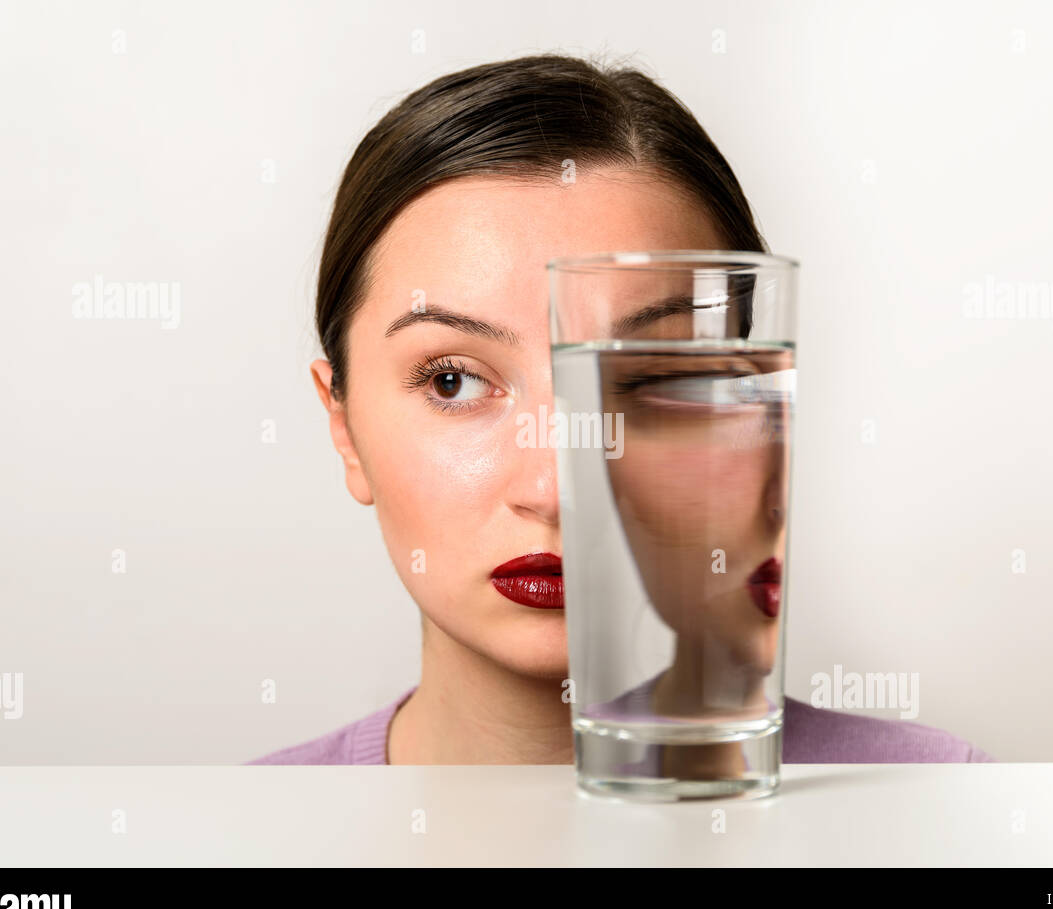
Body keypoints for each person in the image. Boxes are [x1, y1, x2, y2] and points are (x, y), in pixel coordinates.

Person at [248, 53, 993, 767]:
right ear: (343, 429)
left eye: (649, 376)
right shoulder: (239, 838)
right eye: (453, 382)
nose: (554, 486)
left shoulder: (944, 807)